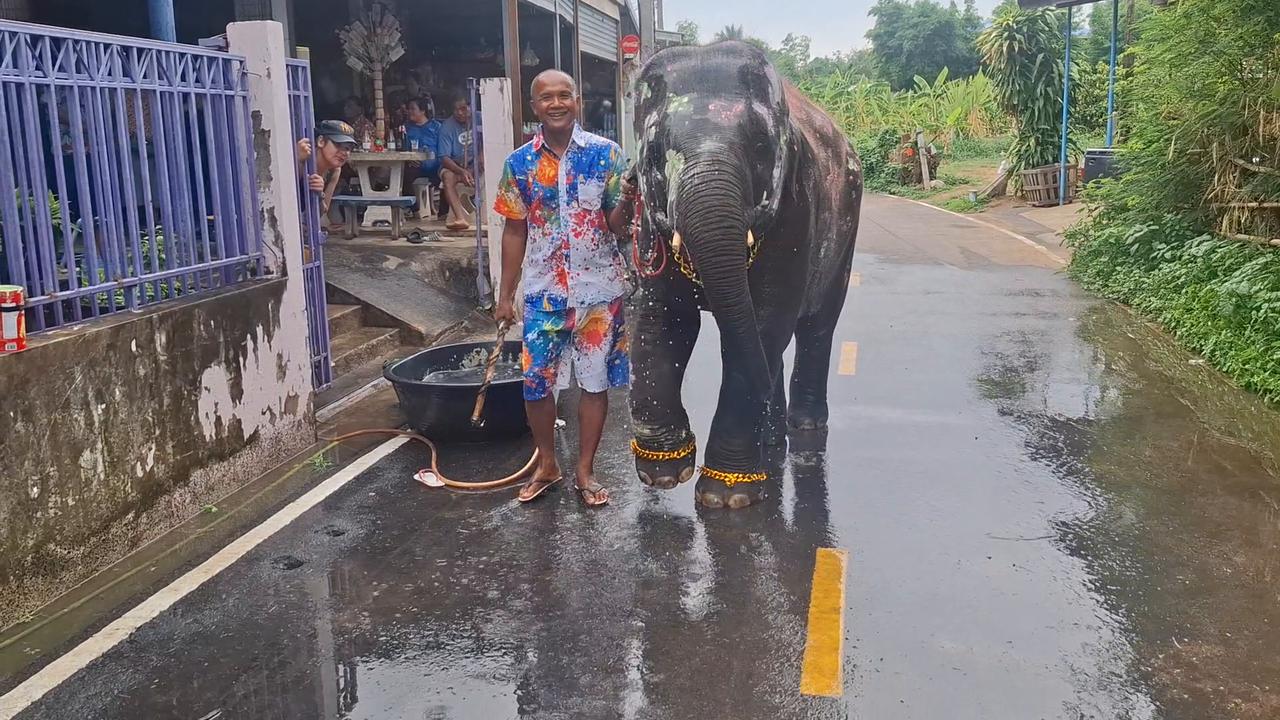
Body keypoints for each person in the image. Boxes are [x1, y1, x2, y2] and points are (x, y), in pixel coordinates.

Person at [493, 69, 638, 508]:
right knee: (536, 385)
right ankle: (547, 464)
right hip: (545, 293)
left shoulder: (607, 155)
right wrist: (505, 296)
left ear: (578, 101)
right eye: (546, 97)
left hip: (600, 292)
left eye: (564, 96)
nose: (556, 104)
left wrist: (628, 199)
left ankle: (585, 470)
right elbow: (514, 231)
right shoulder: (519, 163)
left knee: (594, 383)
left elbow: (617, 226)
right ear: (533, 106)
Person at [299, 120, 357, 219]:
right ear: (321, 141)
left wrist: (319, 194)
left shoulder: (335, 170)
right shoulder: (303, 157)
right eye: (338, 145)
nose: (345, 153)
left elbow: (323, 212)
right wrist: (298, 161)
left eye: (348, 148)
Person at [438, 97, 475, 231]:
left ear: (471, 106)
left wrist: (474, 167)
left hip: (476, 166)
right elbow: (444, 157)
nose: (459, 113)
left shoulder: (481, 119)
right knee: (447, 177)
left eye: (463, 108)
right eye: (456, 109)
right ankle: (460, 218)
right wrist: (461, 171)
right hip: (455, 168)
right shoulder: (447, 127)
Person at [401, 97, 442, 213]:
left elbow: (443, 149)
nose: (409, 111)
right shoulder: (407, 127)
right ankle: (413, 208)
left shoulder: (436, 127)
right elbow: (404, 148)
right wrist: (409, 159)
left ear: (423, 111)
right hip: (415, 166)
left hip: (435, 167)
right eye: (408, 109)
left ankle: (442, 211)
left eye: (413, 109)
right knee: (404, 174)